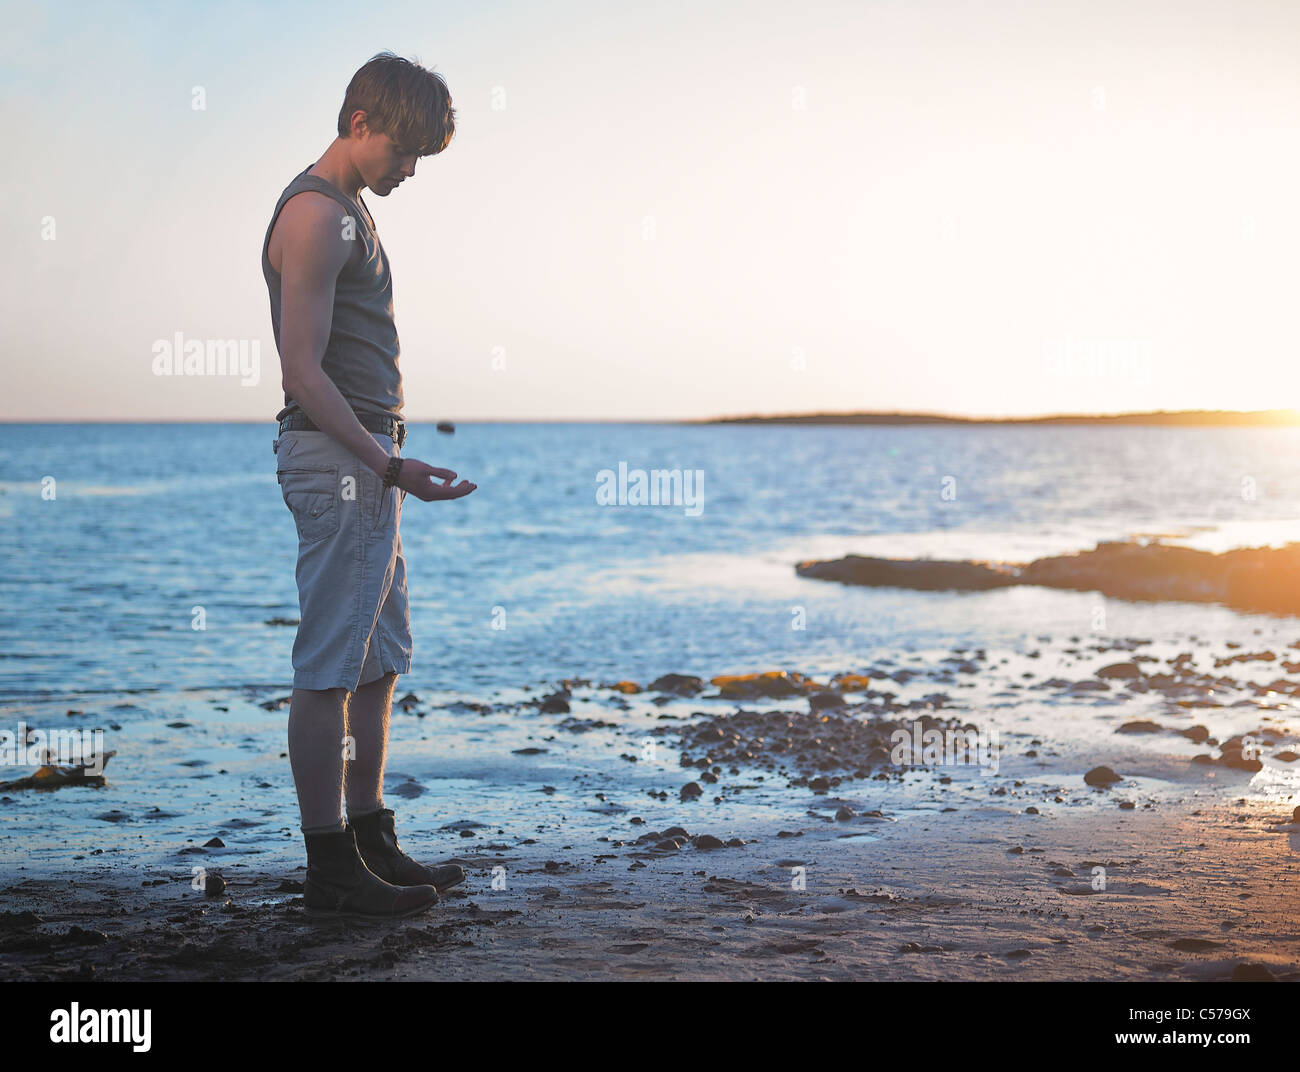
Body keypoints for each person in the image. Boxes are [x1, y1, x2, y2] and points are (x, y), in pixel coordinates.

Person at [261, 52, 477, 919]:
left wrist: (389, 462)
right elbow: (302, 372)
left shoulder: (350, 210)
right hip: (341, 463)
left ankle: (370, 835)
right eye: (406, 150)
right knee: (328, 669)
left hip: (368, 466)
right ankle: (331, 872)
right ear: (360, 123)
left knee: (379, 661)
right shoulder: (315, 215)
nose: (411, 169)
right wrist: (387, 466)